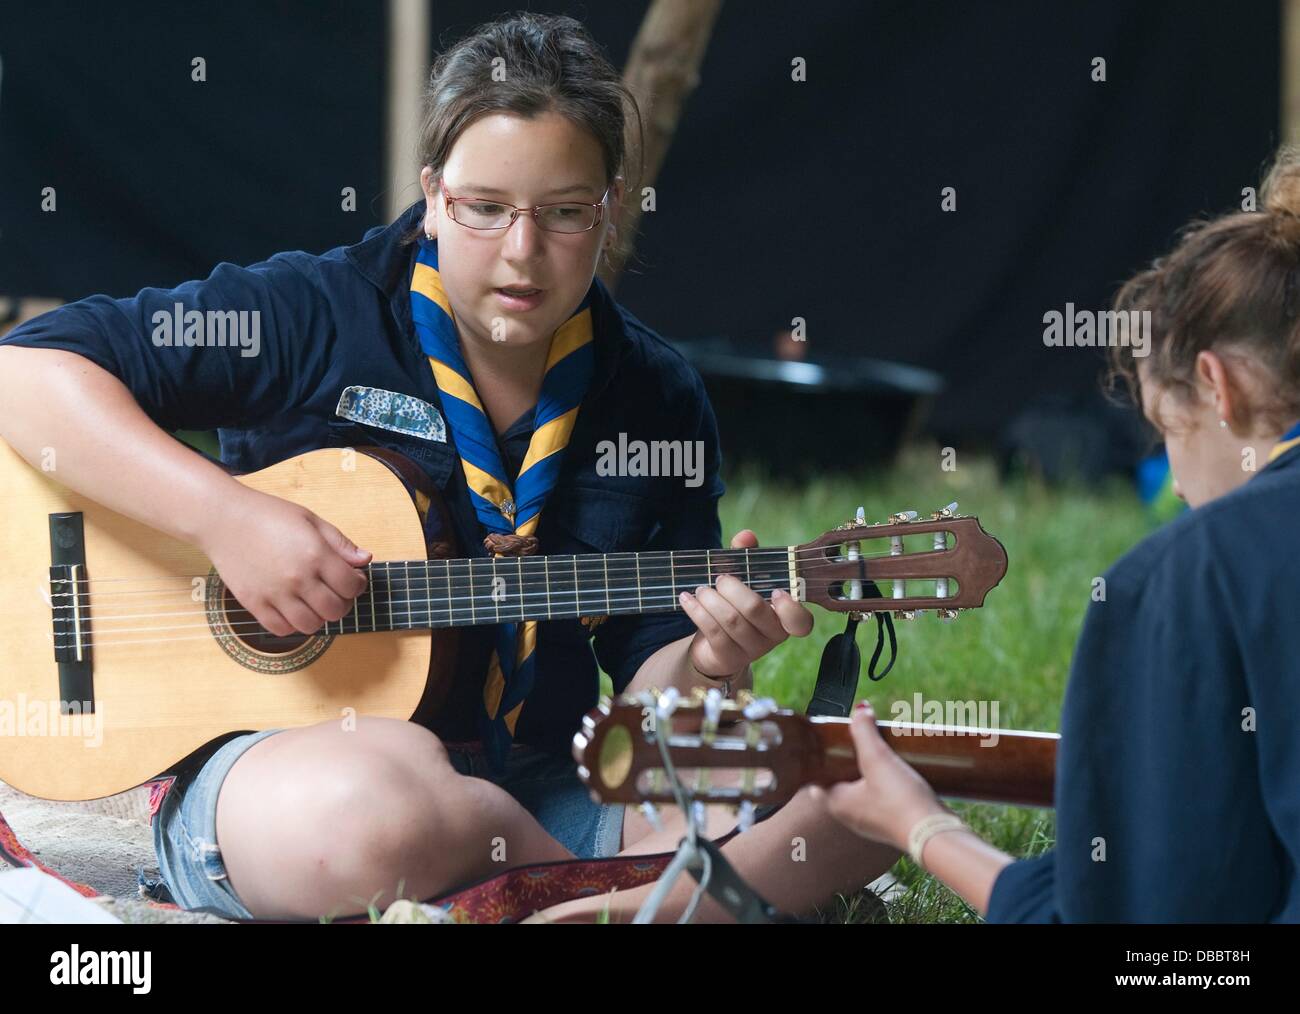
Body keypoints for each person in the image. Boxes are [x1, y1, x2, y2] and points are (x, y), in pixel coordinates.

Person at [0, 12, 898, 921]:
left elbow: (645, 703)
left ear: (610, 210)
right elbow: (24, 370)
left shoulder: (654, 397)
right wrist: (222, 520)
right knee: (373, 815)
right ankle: (602, 900)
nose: (521, 249)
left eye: (564, 212)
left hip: (550, 776)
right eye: (485, 207)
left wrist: (707, 660)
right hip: (292, 770)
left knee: (839, 797)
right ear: (431, 194)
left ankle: (554, 890)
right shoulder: (316, 314)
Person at [812, 147, 1300, 923]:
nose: (1175, 483)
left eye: (1167, 431)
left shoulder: (1184, 575)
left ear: (1218, 385)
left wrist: (922, 826)